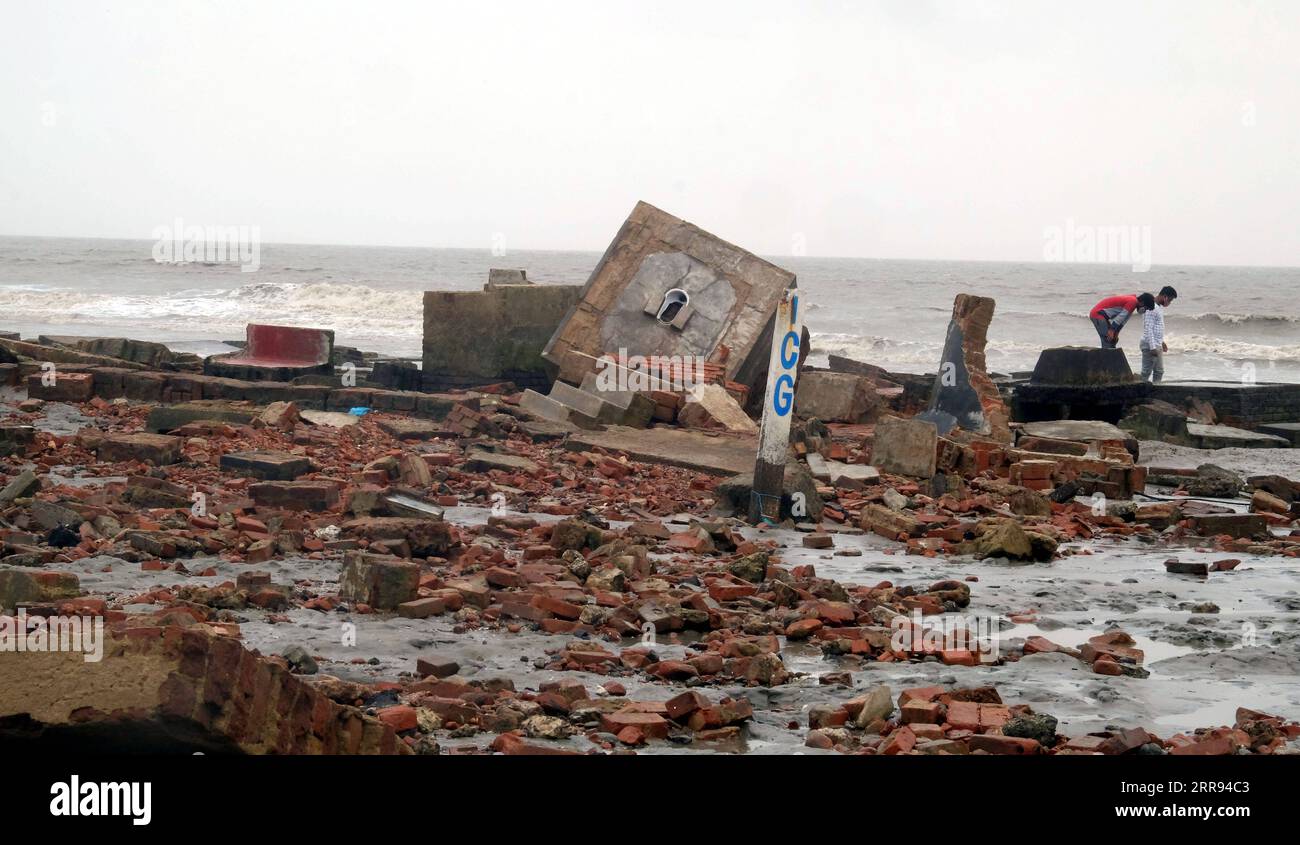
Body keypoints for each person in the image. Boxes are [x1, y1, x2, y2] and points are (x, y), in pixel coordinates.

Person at [1089, 285, 1178, 348]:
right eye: (1146, 308)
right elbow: (1120, 317)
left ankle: (1109, 361)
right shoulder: (1132, 302)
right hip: (1097, 314)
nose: (1145, 311)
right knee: (1108, 339)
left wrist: (1116, 333)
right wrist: (1112, 330)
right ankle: (1107, 364)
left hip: (1103, 317)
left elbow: (1123, 320)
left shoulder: (1133, 303)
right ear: (1142, 303)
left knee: (1113, 340)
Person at [1137, 292, 1167, 382]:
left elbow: (1157, 328)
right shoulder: (1151, 308)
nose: (1169, 303)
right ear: (1164, 297)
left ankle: (1155, 390)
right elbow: (1149, 329)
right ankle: (1140, 391)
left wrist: (1162, 341)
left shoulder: (1156, 308)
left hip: (1157, 343)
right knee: (1146, 372)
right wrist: (1152, 347)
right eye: (1170, 300)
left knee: (1159, 371)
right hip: (1150, 344)